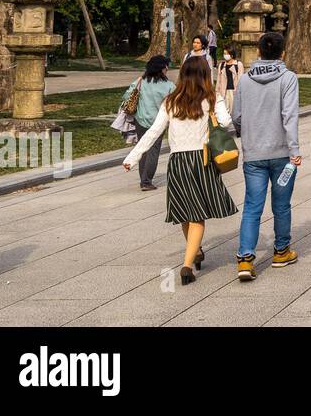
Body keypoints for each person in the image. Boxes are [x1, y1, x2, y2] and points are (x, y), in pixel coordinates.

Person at [122, 55, 236, 285]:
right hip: (201, 160)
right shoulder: (212, 98)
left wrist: (132, 158)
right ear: (206, 75)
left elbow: (154, 132)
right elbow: (225, 122)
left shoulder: (171, 101)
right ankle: (186, 265)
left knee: (185, 212)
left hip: (178, 162)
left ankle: (195, 251)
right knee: (198, 215)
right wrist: (215, 108)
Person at [232, 31, 301, 281]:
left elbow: (236, 116)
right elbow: (289, 116)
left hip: (253, 155)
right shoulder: (288, 78)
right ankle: (281, 251)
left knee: (252, 206)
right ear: (282, 53)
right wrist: (294, 150)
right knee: (281, 205)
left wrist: (249, 133)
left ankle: (245, 258)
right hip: (282, 153)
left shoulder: (245, 80)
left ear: (258, 52)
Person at [121, 55, 174, 191]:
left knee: (143, 147)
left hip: (141, 120)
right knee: (153, 151)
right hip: (158, 123)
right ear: (162, 68)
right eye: (166, 66)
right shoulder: (169, 86)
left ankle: (143, 179)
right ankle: (146, 181)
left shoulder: (141, 81)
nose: (167, 68)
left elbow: (127, 96)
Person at [214, 47, 244, 117]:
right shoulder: (221, 65)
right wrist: (217, 93)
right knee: (224, 115)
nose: (225, 55)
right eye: (224, 53)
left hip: (234, 92)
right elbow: (219, 80)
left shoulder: (238, 65)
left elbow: (241, 80)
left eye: (227, 53)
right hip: (223, 92)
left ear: (232, 55)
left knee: (235, 114)